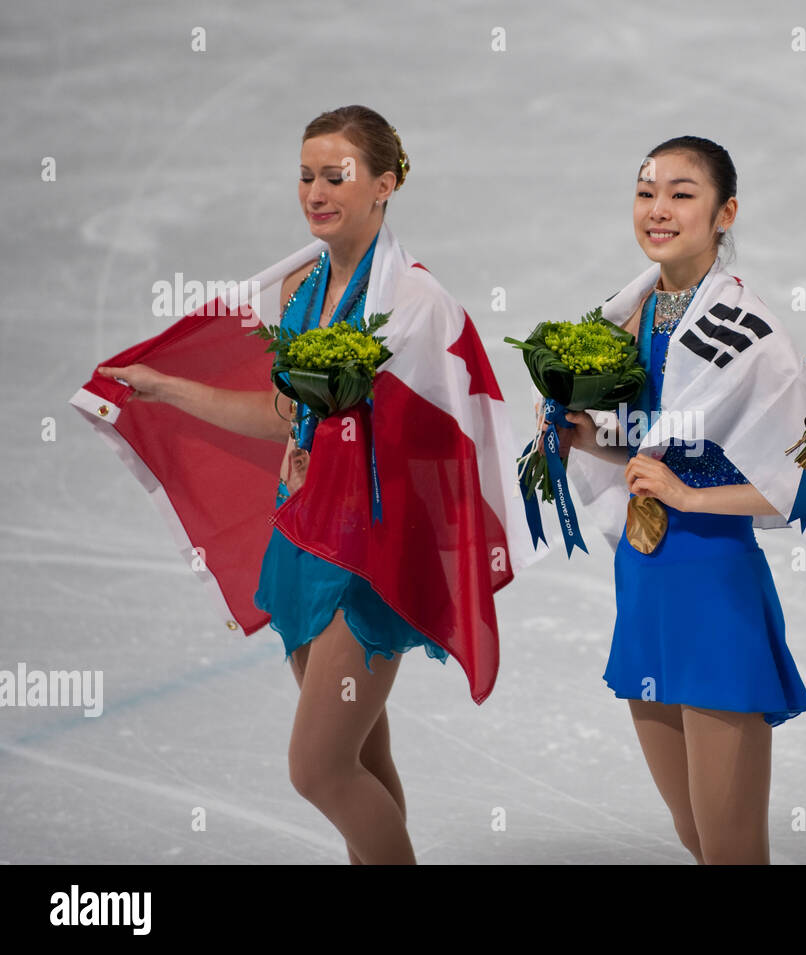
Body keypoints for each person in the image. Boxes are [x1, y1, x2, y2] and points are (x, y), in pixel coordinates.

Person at [81, 105, 533, 864]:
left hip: (368, 559)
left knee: (318, 768)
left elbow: (438, 450)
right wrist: (167, 389)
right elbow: (282, 413)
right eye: (306, 175)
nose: (315, 192)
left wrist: (340, 456)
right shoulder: (302, 286)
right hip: (302, 538)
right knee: (358, 758)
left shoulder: (416, 305)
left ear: (384, 184)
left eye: (336, 176)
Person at [560, 136, 806, 864]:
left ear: (726, 212)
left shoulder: (751, 334)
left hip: (714, 587)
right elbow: (656, 448)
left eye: (681, 192)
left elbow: (801, 482)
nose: (658, 208)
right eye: (645, 191)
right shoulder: (631, 316)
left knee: (733, 849)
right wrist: (588, 440)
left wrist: (686, 499)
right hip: (643, 585)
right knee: (696, 837)